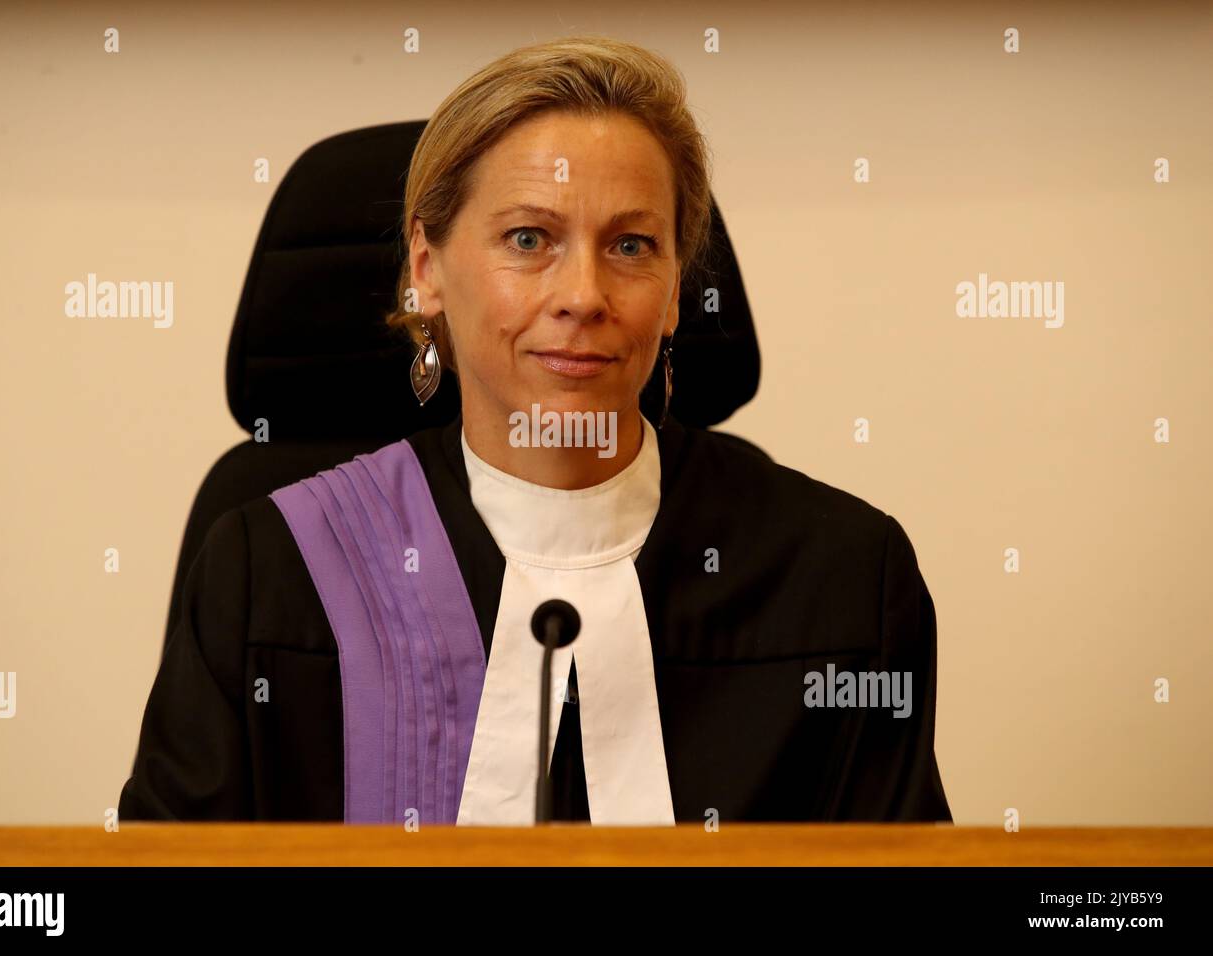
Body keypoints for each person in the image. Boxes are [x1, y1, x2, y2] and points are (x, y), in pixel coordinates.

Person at [118, 34, 951, 826]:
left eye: (631, 245)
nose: (584, 294)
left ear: (671, 295)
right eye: (529, 238)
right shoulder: (273, 571)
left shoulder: (841, 578)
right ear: (426, 271)